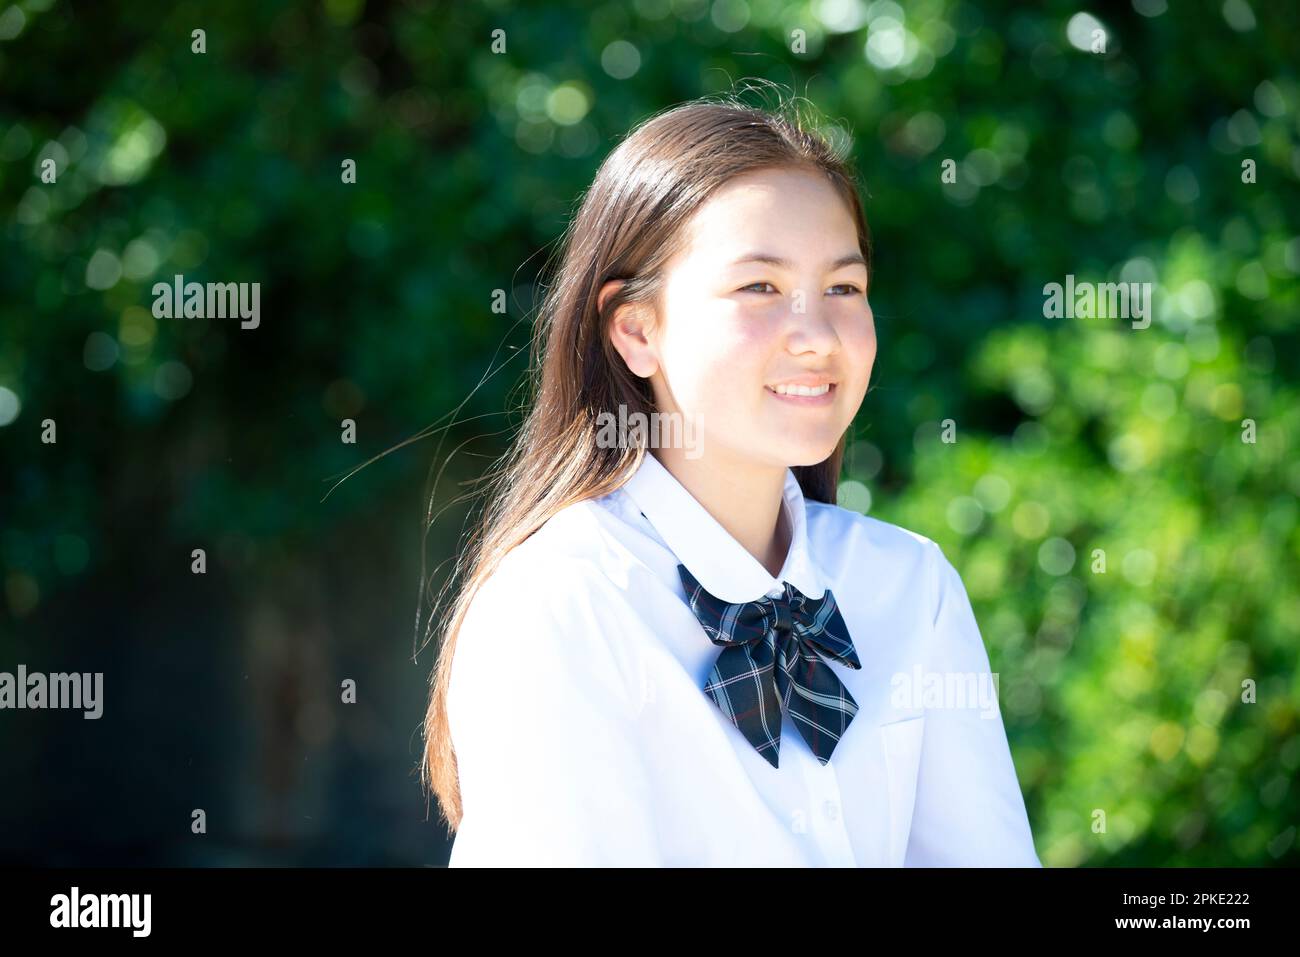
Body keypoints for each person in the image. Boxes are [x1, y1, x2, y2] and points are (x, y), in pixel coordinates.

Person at [419, 92, 1041, 867]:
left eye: (843, 289)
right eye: (760, 288)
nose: (816, 336)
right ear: (637, 330)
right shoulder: (562, 603)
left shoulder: (909, 584)